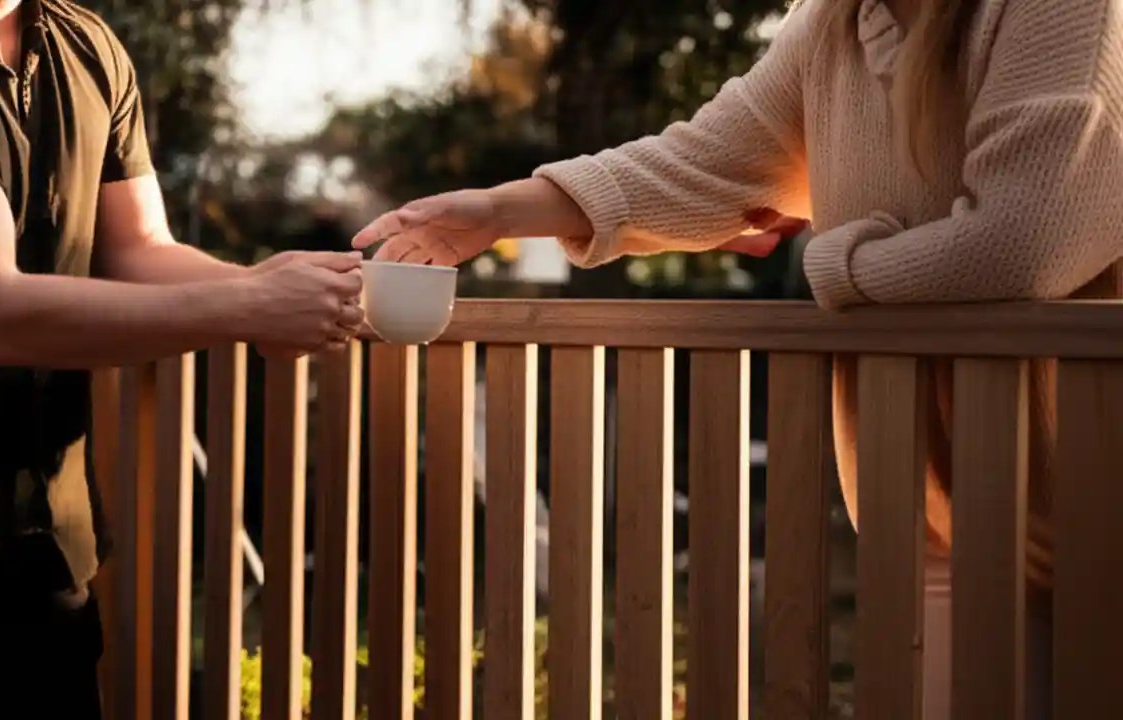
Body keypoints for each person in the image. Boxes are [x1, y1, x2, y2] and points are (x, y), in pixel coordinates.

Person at [354, 0, 1123, 717]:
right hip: (933, 509)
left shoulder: (1059, 11)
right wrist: (497, 211)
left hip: (1090, 516)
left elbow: (1023, 240)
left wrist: (837, 265)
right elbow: (704, 164)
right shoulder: (834, 24)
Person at [0, 0, 363, 717]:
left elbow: (138, 251)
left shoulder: (86, 43)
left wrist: (271, 289)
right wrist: (248, 306)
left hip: (44, 553)